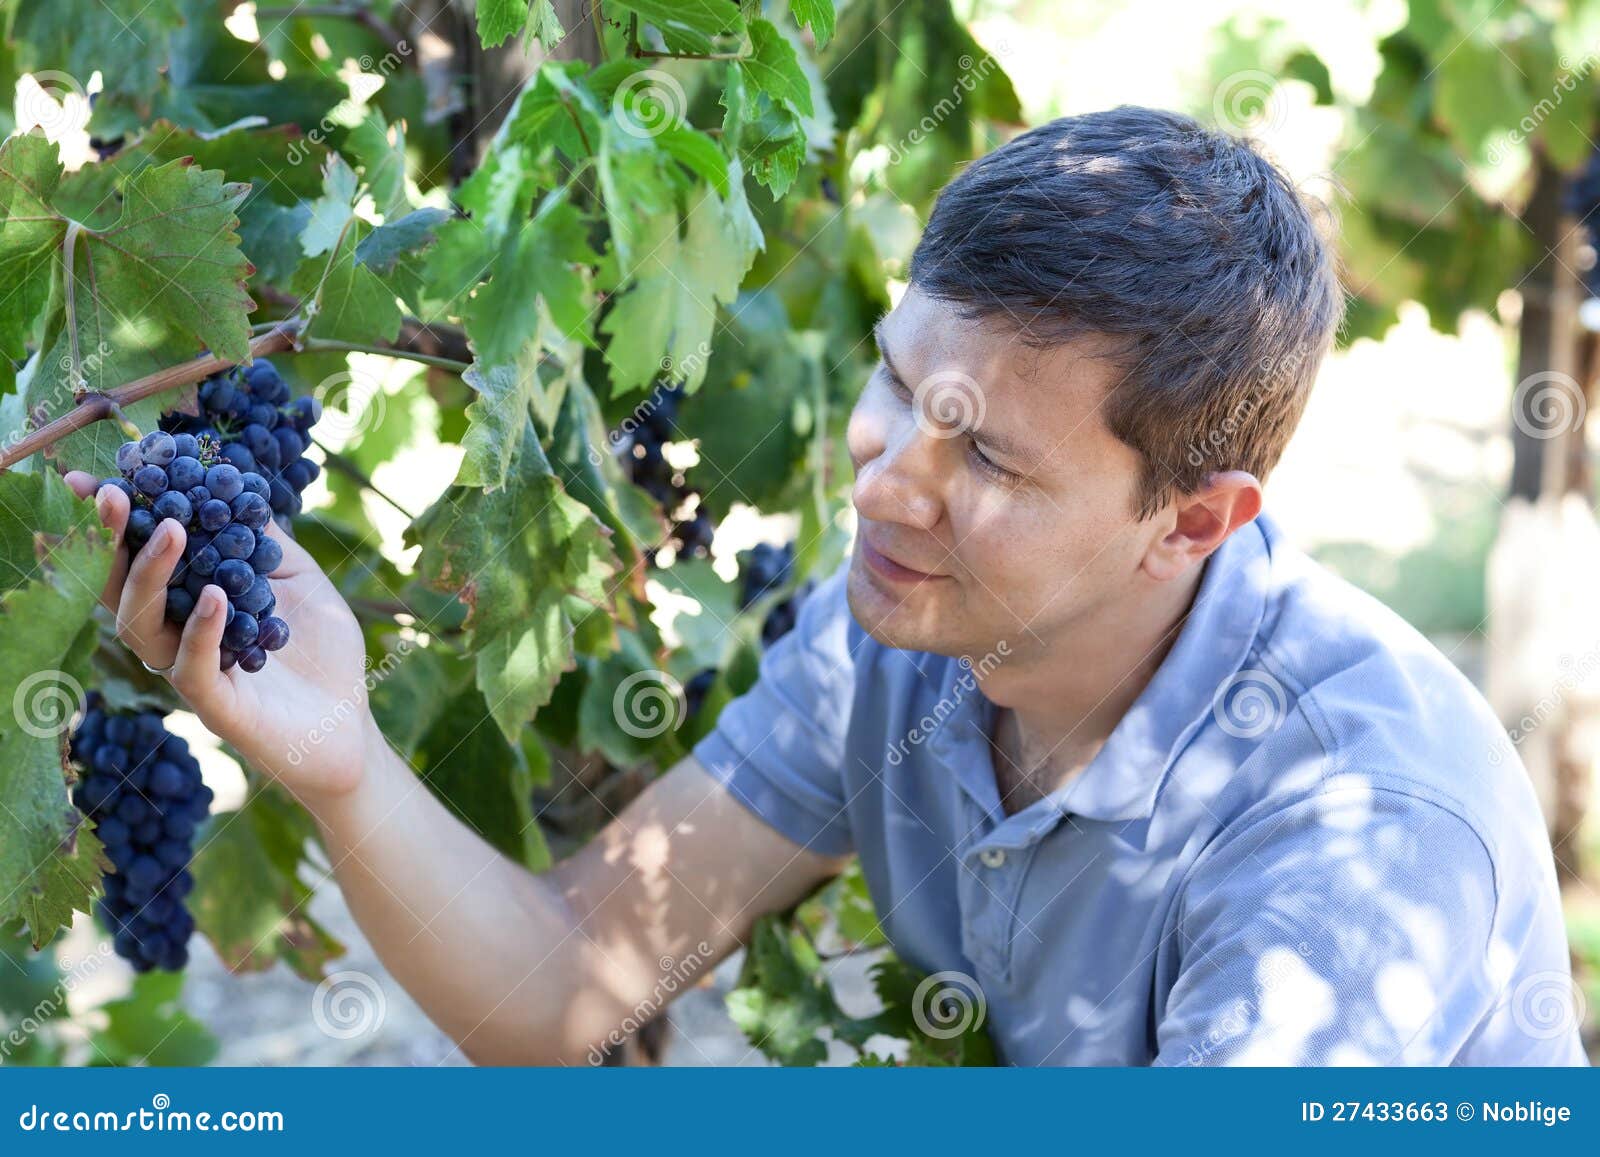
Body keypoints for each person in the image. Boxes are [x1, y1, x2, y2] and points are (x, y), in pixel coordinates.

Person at [67, 107, 1586, 1066]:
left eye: (984, 455)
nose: (883, 481)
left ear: (1192, 521)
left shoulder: (1352, 841)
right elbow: (564, 991)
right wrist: (343, 760)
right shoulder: (909, 638)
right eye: (893, 380)